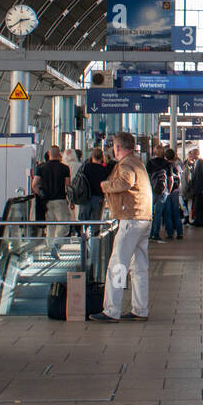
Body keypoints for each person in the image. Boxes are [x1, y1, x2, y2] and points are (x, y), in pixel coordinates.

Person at [93, 132, 152, 322]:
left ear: (117, 147)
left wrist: (106, 185)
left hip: (131, 219)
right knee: (139, 267)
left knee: (117, 266)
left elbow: (126, 181)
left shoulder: (126, 164)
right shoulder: (137, 162)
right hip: (144, 218)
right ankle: (140, 309)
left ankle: (111, 310)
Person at [32, 146, 71, 259]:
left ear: (48, 154)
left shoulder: (41, 167)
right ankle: (56, 245)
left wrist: (42, 194)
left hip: (47, 201)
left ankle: (50, 247)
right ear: (59, 154)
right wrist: (70, 200)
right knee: (63, 224)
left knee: (50, 225)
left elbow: (34, 185)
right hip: (60, 200)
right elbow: (68, 186)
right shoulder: (64, 168)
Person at [76, 147, 110, 222]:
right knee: (96, 223)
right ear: (102, 157)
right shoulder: (104, 169)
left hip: (85, 197)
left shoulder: (85, 167)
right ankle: (95, 233)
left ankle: (83, 233)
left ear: (92, 157)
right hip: (98, 198)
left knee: (83, 222)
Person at [147, 143, 171, 243]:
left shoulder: (150, 162)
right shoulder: (167, 163)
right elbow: (170, 179)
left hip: (152, 190)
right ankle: (156, 234)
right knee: (158, 214)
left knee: (150, 213)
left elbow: (147, 177)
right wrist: (168, 190)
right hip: (162, 191)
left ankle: (150, 233)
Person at [163, 148, 184, 240]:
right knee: (176, 212)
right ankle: (180, 233)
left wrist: (168, 191)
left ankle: (170, 233)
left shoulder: (166, 166)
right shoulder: (177, 167)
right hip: (176, 192)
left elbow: (170, 179)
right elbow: (180, 179)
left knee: (168, 213)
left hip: (168, 192)